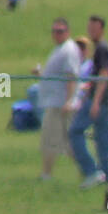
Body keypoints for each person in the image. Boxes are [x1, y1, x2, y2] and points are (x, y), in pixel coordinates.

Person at [70, 15, 108, 189]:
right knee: (104, 142)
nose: (91, 32)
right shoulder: (99, 49)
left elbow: (104, 75)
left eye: (95, 29)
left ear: (102, 30)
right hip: (106, 102)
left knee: (75, 131)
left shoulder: (102, 49)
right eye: (90, 28)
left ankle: (91, 172)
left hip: (101, 102)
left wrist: (95, 101)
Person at [38, 18, 81, 181]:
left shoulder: (69, 49)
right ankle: (89, 170)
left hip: (61, 104)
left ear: (68, 32)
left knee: (50, 140)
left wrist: (69, 100)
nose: (57, 34)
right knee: (69, 144)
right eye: (54, 31)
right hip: (55, 102)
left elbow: (71, 76)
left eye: (61, 31)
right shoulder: (59, 49)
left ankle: (46, 174)